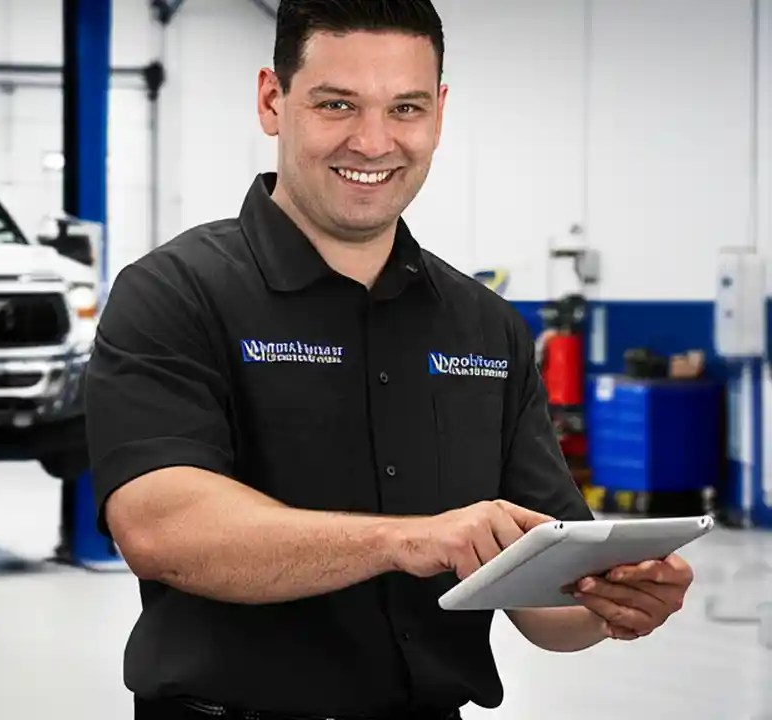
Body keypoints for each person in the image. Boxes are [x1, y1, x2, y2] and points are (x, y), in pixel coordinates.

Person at [82, 1, 696, 718]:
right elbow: (161, 529)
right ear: (272, 101)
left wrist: (611, 597)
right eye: (336, 104)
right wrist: (405, 540)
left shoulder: (485, 328)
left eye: (405, 108)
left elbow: (546, 603)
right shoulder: (175, 294)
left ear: (439, 112)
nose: (373, 142)